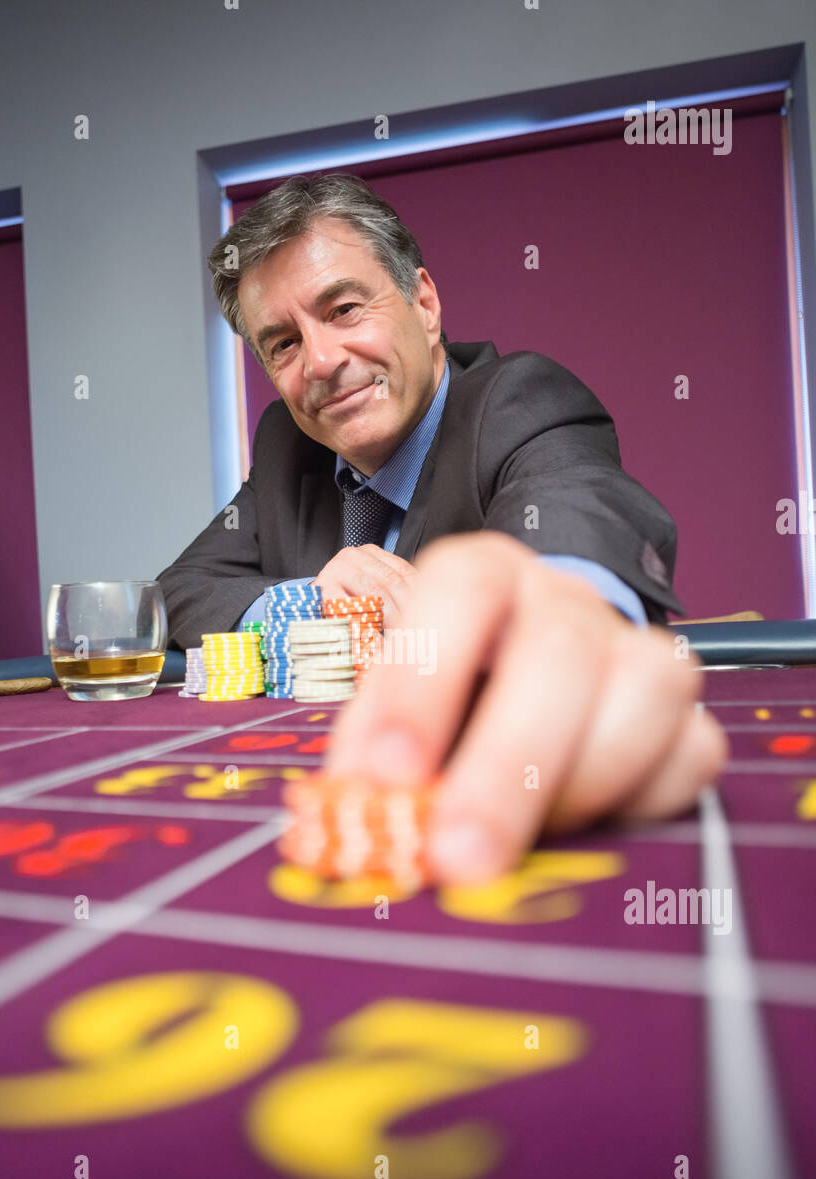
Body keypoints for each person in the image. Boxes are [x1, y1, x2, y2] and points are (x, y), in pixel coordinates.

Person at [156, 172, 727, 881]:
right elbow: (182, 586)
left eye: (343, 308)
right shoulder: (286, 444)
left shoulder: (518, 400)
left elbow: (580, 510)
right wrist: (309, 601)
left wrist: (566, 617)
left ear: (424, 303)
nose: (323, 362)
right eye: (282, 344)